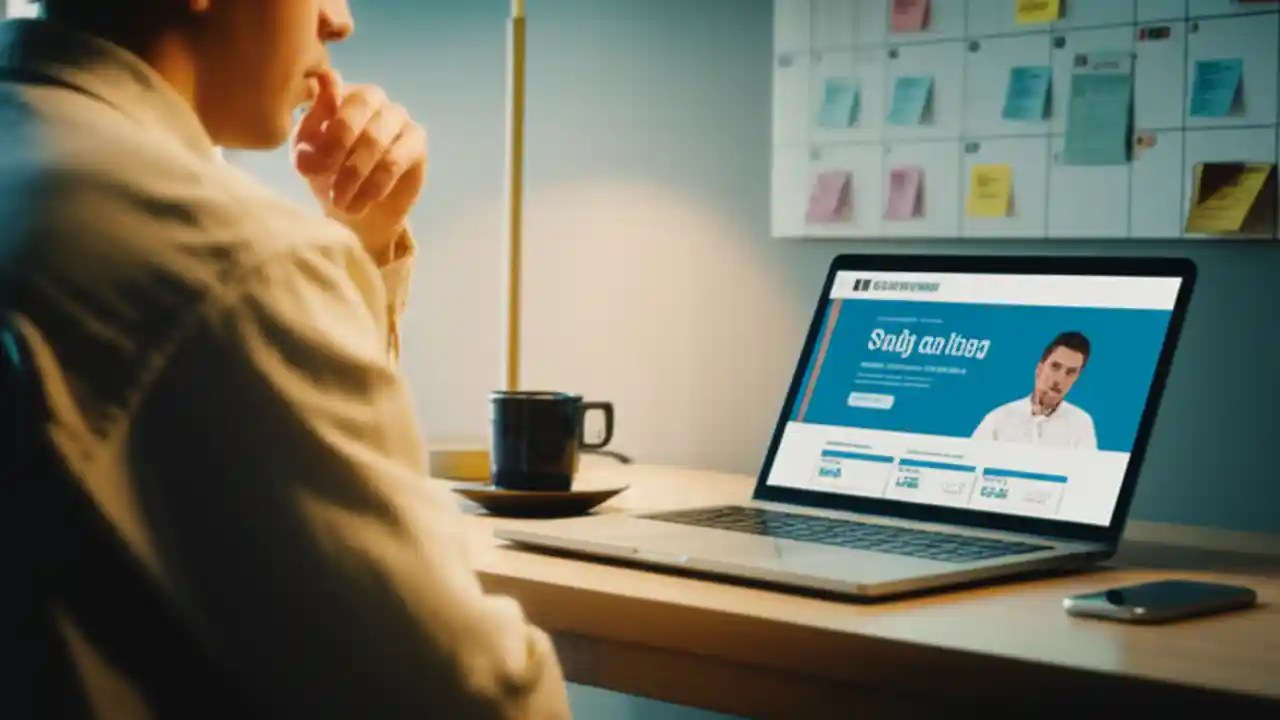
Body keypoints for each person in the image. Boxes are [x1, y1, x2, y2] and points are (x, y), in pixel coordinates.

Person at [0, 0, 569, 717]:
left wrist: (362, 242)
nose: (339, 19)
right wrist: (309, 267)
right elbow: (472, 699)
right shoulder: (232, 263)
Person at [972, 331, 1098, 451]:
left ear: (1076, 378)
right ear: (1039, 369)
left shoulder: (1081, 424)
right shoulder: (999, 419)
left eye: (1070, 372)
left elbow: (1087, 472)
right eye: (1055, 366)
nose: (1060, 379)